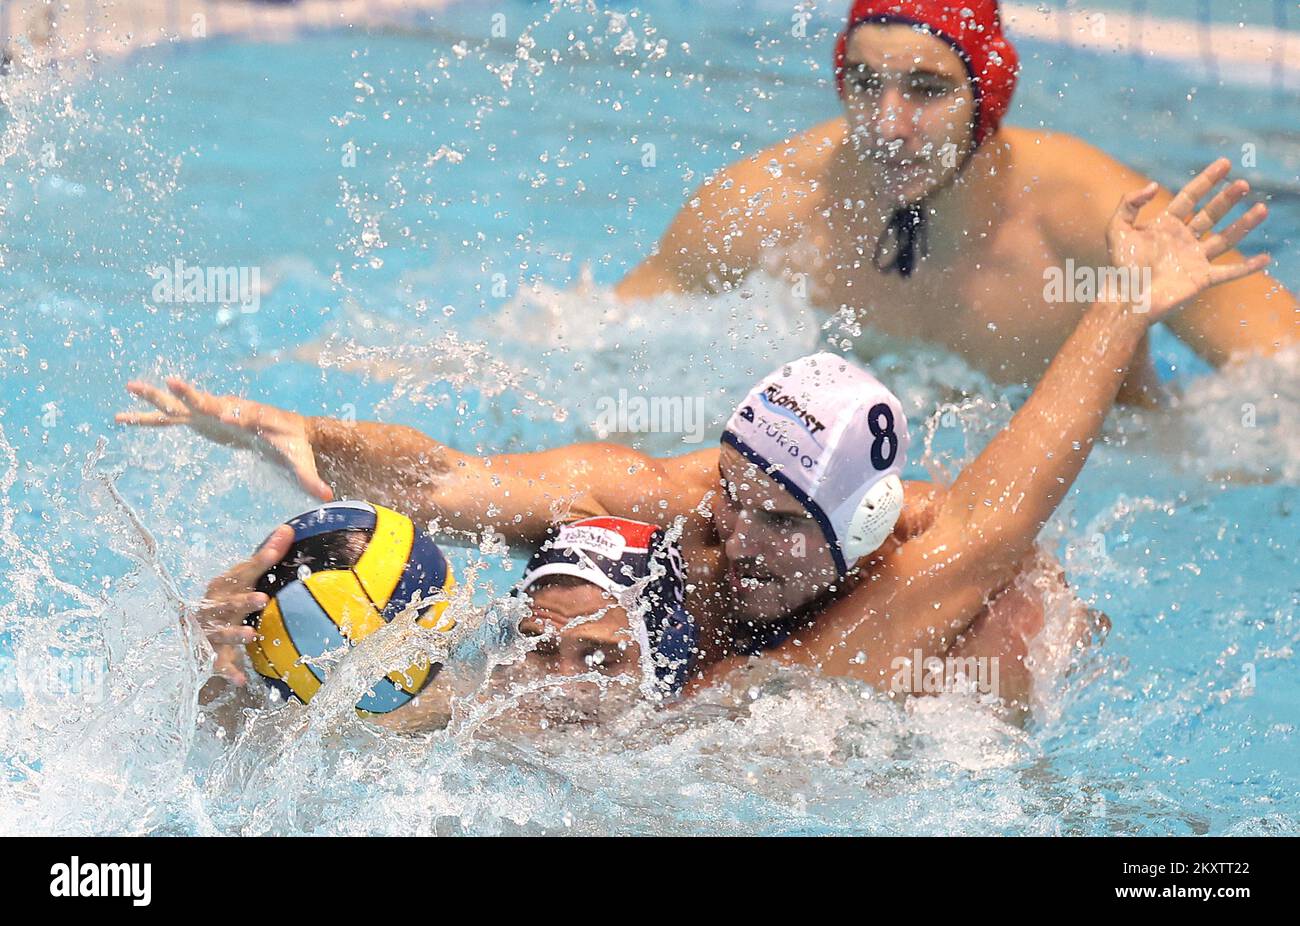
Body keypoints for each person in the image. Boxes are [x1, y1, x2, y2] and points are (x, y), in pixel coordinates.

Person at [121, 161, 1268, 723]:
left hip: (941, 675)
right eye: (734, 492)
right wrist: (307, 434)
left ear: (856, 535)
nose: (736, 530)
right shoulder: (674, 504)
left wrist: (1122, 299)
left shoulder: (881, 607)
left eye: (780, 519)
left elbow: (1003, 512)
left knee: (1011, 611)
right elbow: (459, 479)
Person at [615, 1, 1294, 402]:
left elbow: (1282, 379)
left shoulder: (1096, 215)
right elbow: (599, 346)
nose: (888, 124)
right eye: (864, 83)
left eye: (926, 89)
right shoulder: (772, 202)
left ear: (987, 100)